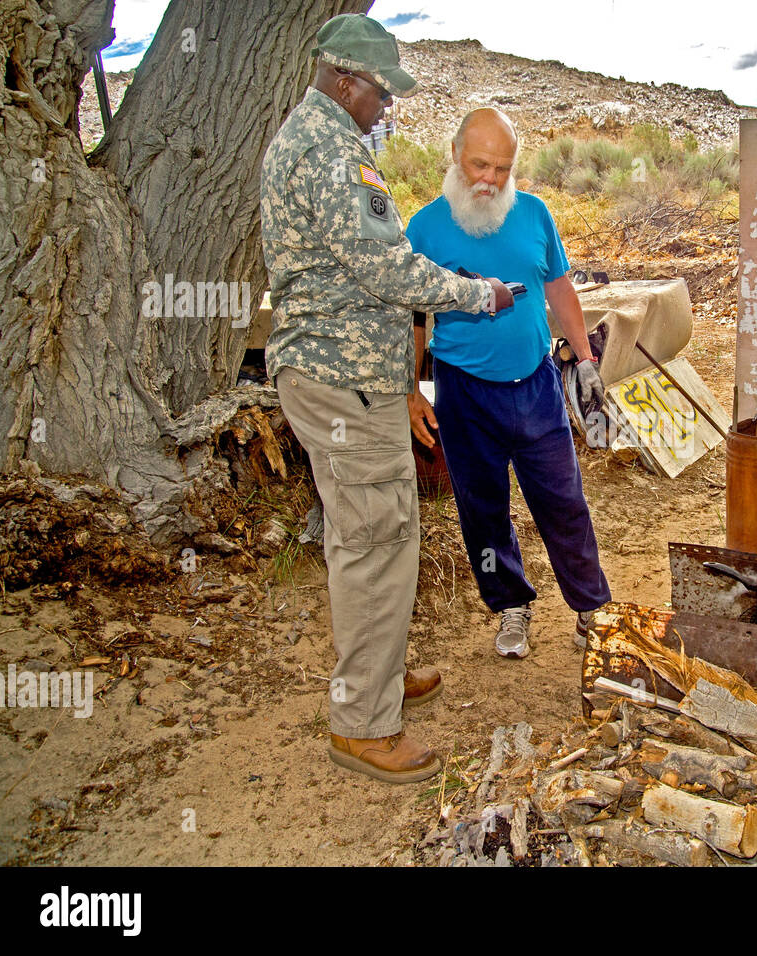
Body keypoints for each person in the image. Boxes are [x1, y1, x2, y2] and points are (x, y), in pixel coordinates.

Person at [260, 14, 515, 783]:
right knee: (373, 545)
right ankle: (364, 726)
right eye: (380, 92)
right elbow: (390, 273)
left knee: (379, 532)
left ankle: (378, 672)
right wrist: (480, 294)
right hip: (342, 383)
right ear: (345, 80)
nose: (386, 107)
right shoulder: (329, 151)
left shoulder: (316, 141)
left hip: (353, 382)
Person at [405, 107, 611, 660]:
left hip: (536, 383)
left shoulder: (535, 213)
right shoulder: (423, 228)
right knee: (482, 507)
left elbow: (560, 288)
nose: (490, 179)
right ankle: (510, 605)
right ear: (454, 154)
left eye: (502, 166)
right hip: (463, 391)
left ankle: (590, 607)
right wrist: (408, 390)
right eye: (479, 165)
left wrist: (585, 358)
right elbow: (413, 318)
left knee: (563, 499)